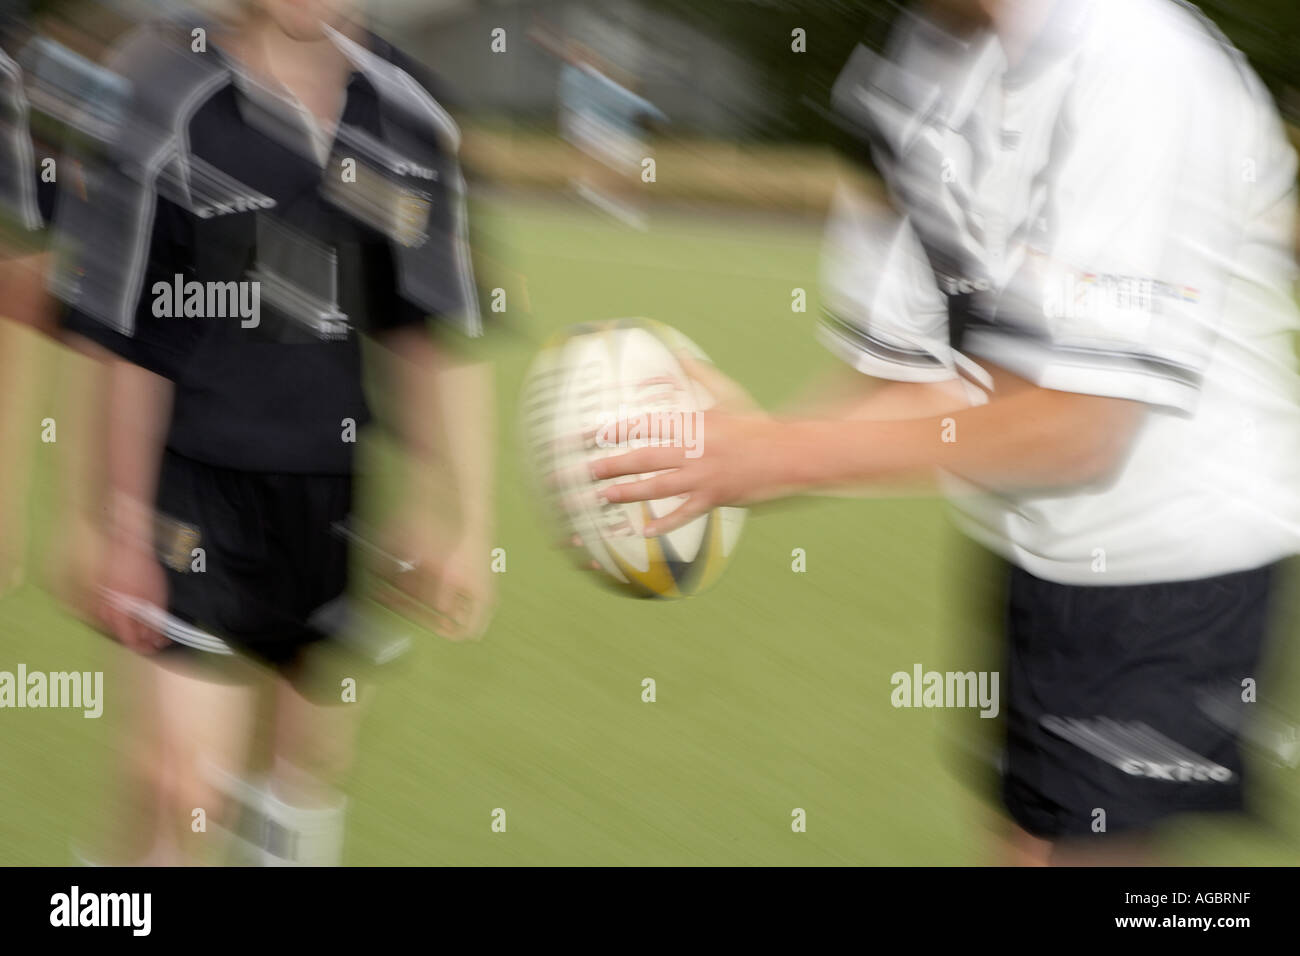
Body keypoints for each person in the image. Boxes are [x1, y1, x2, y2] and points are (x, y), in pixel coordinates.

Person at [593, 0, 1300, 864]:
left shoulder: (1137, 64)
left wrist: (772, 453)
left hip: (1173, 555)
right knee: (1026, 837)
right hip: (1035, 541)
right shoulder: (922, 64)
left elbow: (1082, 427)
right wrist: (730, 449)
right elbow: (908, 371)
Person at [56, 0, 494, 865]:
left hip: (328, 495)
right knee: (182, 797)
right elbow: (123, 336)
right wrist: (112, 522)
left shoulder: (407, 117)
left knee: (293, 802)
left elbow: (426, 331)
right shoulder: (171, 94)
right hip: (190, 489)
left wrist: (462, 516)